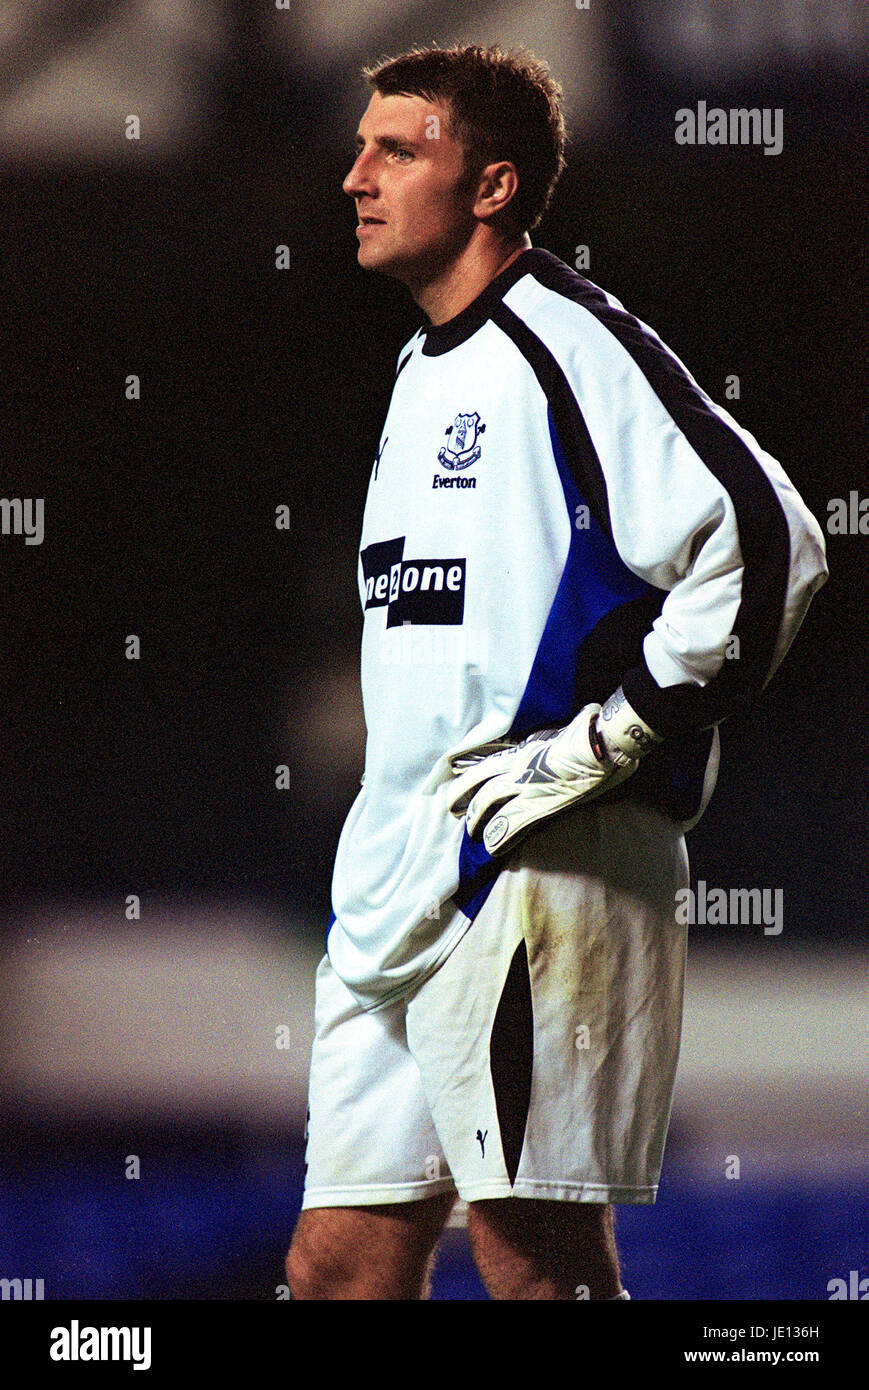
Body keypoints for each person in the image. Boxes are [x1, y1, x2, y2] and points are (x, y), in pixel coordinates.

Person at [285, 43, 828, 1300]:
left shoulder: (567, 341)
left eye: (397, 150)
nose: (355, 177)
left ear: (491, 186)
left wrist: (614, 738)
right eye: (360, 148)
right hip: (399, 874)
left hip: (537, 870)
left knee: (533, 1266)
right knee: (336, 1267)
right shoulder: (419, 371)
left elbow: (768, 539)